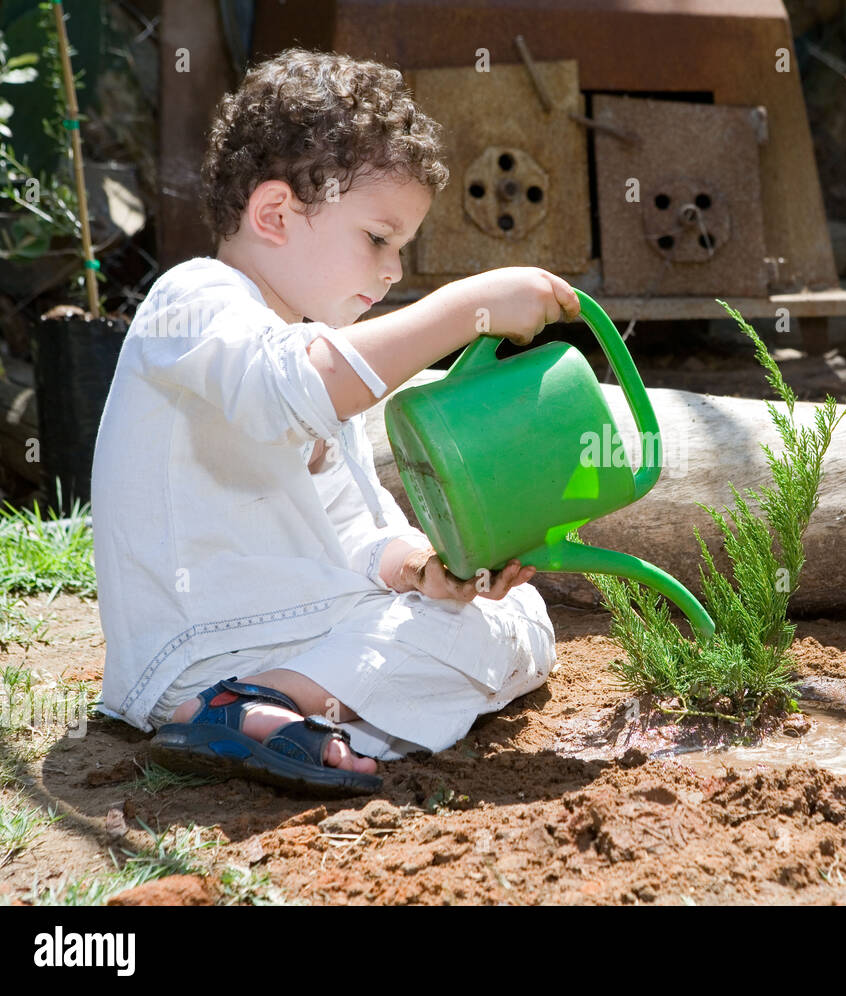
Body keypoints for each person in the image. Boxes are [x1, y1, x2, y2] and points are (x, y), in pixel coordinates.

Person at [90, 48, 581, 796]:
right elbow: (288, 387)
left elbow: (354, 533)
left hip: (308, 633)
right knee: (468, 647)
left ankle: (276, 716)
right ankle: (254, 707)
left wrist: (425, 569)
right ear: (276, 215)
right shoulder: (194, 299)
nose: (392, 272)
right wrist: (463, 307)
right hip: (195, 650)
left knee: (519, 616)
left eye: (403, 250)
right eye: (377, 239)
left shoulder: (317, 345)